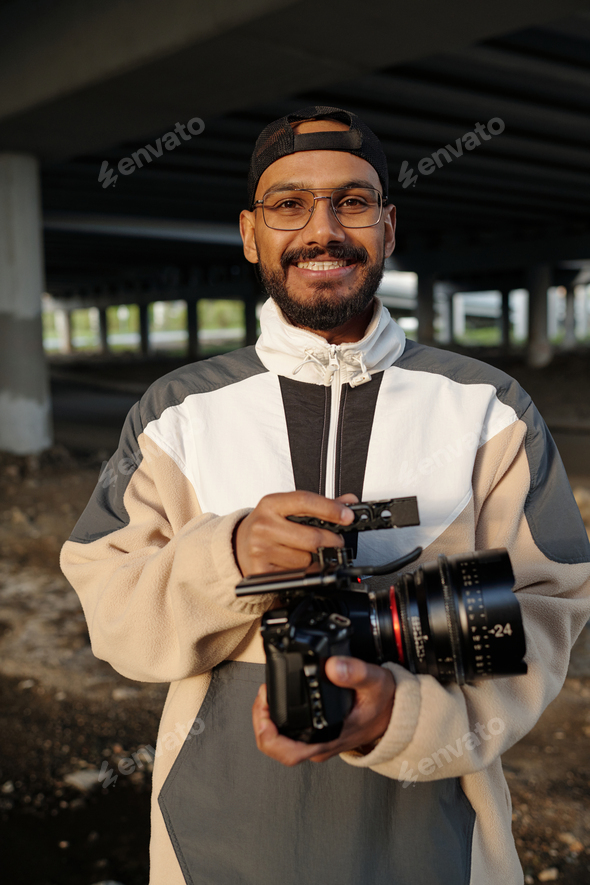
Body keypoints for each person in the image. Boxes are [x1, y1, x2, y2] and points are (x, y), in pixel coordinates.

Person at [61, 106, 590, 885]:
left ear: (388, 225)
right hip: (211, 846)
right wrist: (230, 554)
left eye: (352, 201)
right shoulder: (174, 413)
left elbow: (550, 610)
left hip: (439, 846)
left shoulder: (488, 407)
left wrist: (401, 715)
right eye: (288, 204)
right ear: (249, 233)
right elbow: (112, 614)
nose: (323, 229)